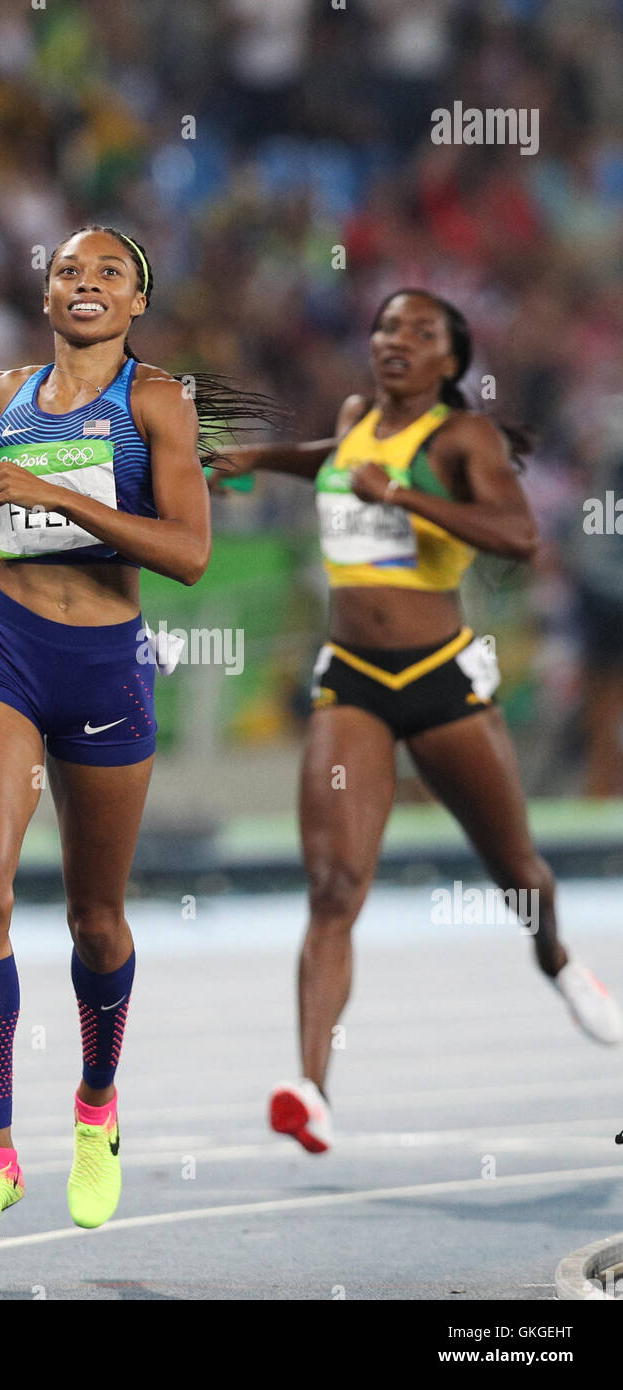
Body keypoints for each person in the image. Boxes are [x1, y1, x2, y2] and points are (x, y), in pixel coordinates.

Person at [209, 288, 622, 1154]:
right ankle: (311, 1089)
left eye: (420, 332)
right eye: (387, 326)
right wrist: (257, 457)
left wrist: (404, 498)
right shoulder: (358, 418)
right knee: (332, 887)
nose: (397, 339)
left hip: (441, 681)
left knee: (517, 868)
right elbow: (331, 458)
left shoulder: (462, 439)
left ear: (450, 362)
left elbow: (515, 537)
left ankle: (558, 960)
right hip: (352, 680)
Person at [0, 225, 270, 1239]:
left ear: (136, 306)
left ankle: (94, 1108)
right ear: (44, 295)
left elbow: (188, 552)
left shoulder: (159, 401)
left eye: (107, 274)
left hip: (105, 664)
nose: (83, 282)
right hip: (5, 649)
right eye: (65, 269)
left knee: (95, 918)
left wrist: (49, 495)